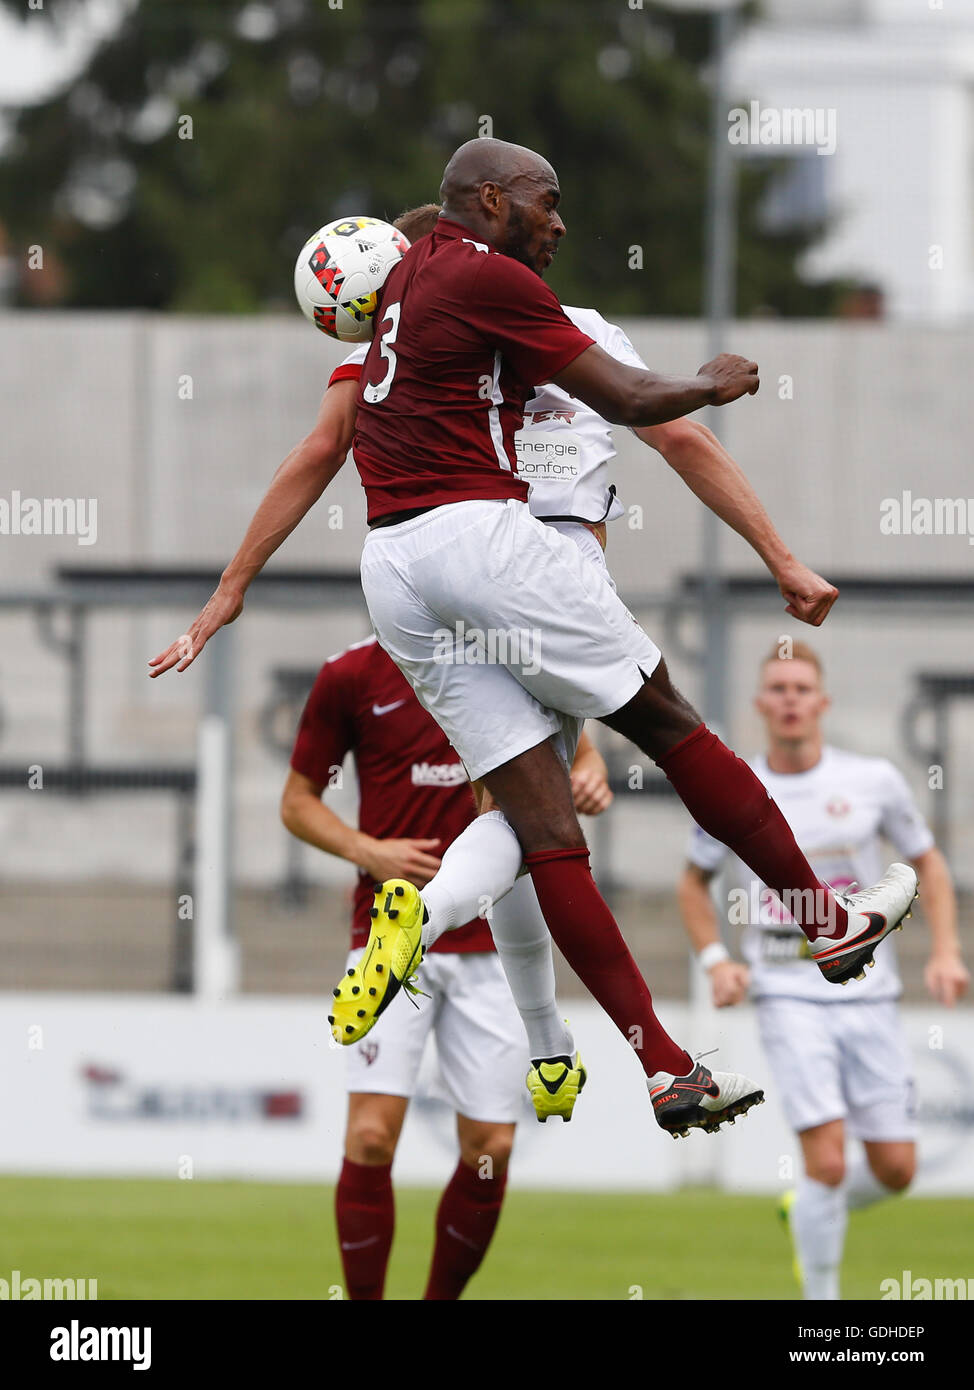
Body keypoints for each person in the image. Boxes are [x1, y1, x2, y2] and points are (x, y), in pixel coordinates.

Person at [150, 139, 917, 1142]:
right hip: (503, 552)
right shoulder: (501, 285)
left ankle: (653, 1065)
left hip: (394, 568)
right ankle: (820, 920)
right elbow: (644, 410)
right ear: (486, 199)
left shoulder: (400, 291)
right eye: (545, 202)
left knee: (539, 825)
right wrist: (713, 380)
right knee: (671, 724)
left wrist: (230, 586)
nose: (558, 222)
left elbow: (324, 440)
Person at [281, 633, 611, 1298]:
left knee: (491, 1147)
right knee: (372, 1136)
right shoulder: (348, 675)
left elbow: (582, 752)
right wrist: (366, 850)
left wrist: (592, 773)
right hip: (389, 937)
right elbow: (297, 802)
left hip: (494, 941)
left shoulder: (510, 655)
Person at [677, 640, 969, 1299]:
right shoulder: (735, 785)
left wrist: (947, 951)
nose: (789, 699)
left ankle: (804, 1207)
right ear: (760, 704)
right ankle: (824, 1307)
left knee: (895, 1168)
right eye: (777, 688)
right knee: (829, 1162)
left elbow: (929, 865)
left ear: (822, 702)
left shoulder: (872, 781)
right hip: (789, 996)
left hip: (870, 994)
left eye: (801, 688)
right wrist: (718, 960)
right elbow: (693, 883)